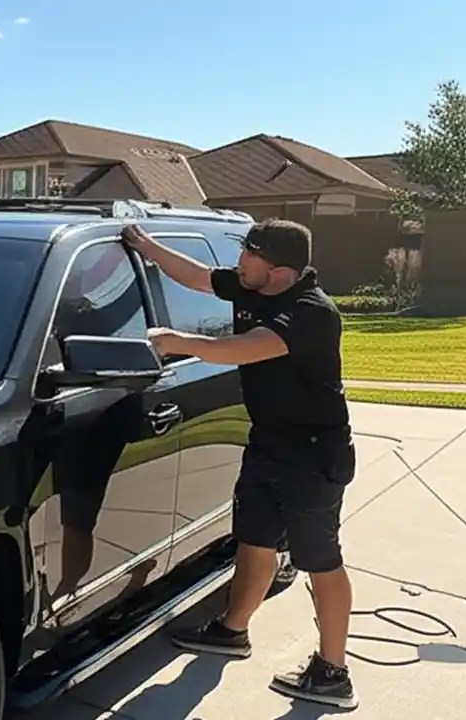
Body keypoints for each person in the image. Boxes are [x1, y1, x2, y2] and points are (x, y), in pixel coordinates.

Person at [121, 218, 358, 711]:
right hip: (268, 442)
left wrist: (176, 341)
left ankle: (333, 671)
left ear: (278, 269)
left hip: (313, 453)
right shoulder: (252, 285)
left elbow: (242, 350)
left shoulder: (312, 312)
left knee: (319, 557)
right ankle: (232, 630)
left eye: (248, 253)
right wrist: (145, 245)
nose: (238, 262)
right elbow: (196, 276)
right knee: (254, 539)